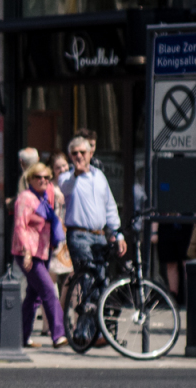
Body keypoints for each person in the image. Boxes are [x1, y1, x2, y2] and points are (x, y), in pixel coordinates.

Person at [59, 136, 126, 345]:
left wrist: (118, 233)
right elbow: (65, 189)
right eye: (75, 153)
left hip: (99, 235)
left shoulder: (99, 176)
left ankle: (92, 332)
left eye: (83, 152)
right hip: (79, 234)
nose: (79, 156)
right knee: (88, 280)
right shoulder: (68, 178)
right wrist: (76, 174)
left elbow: (110, 206)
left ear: (90, 154)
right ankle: (87, 333)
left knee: (102, 282)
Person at [12, 162, 67, 348]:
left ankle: (22, 337)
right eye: (38, 177)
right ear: (30, 179)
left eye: (46, 177)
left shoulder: (43, 198)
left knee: (33, 296)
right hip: (28, 253)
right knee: (48, 290)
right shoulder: (25, 198)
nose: (43, 180)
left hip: (42, 252)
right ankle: (58, 334)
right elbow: (20, 226)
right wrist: (26, 252)